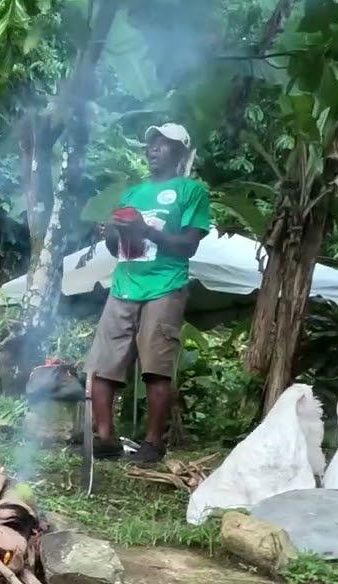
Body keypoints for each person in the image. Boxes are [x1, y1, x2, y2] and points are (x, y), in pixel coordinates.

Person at [84, 123, 212, 466]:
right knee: (103, 364)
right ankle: (106, 438)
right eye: (151, 142)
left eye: (164, 144)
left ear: (180, 152)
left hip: (165, 285)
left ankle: (153, 443)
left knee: (156, 367)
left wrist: (146, 231)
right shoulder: (131, 194)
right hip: (124, 284)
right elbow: (117, 249)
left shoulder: (191, 191)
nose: (154, 148)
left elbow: (188, 245)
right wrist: (111, 234)